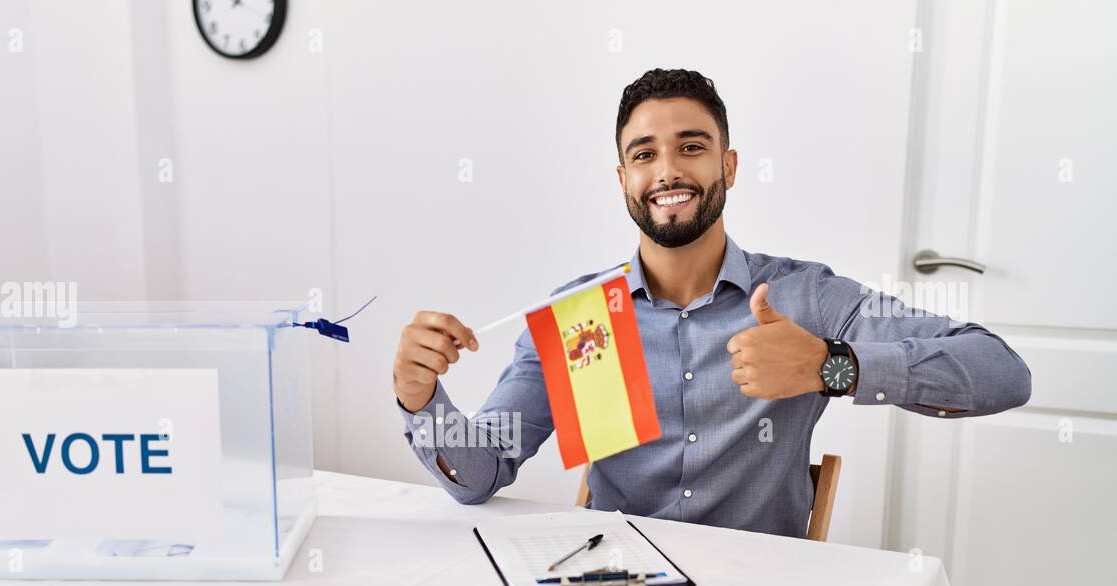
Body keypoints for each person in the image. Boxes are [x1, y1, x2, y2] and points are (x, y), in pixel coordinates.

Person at [391, 68, 1031, 537]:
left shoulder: (804, 298)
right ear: (624, 180)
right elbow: (478, 476)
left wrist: (830, 365)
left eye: (691, 147)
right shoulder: (580, 318)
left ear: (727, 166)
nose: (668, 170)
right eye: (644, 155)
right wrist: (423, 403)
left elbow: (1003, 371)